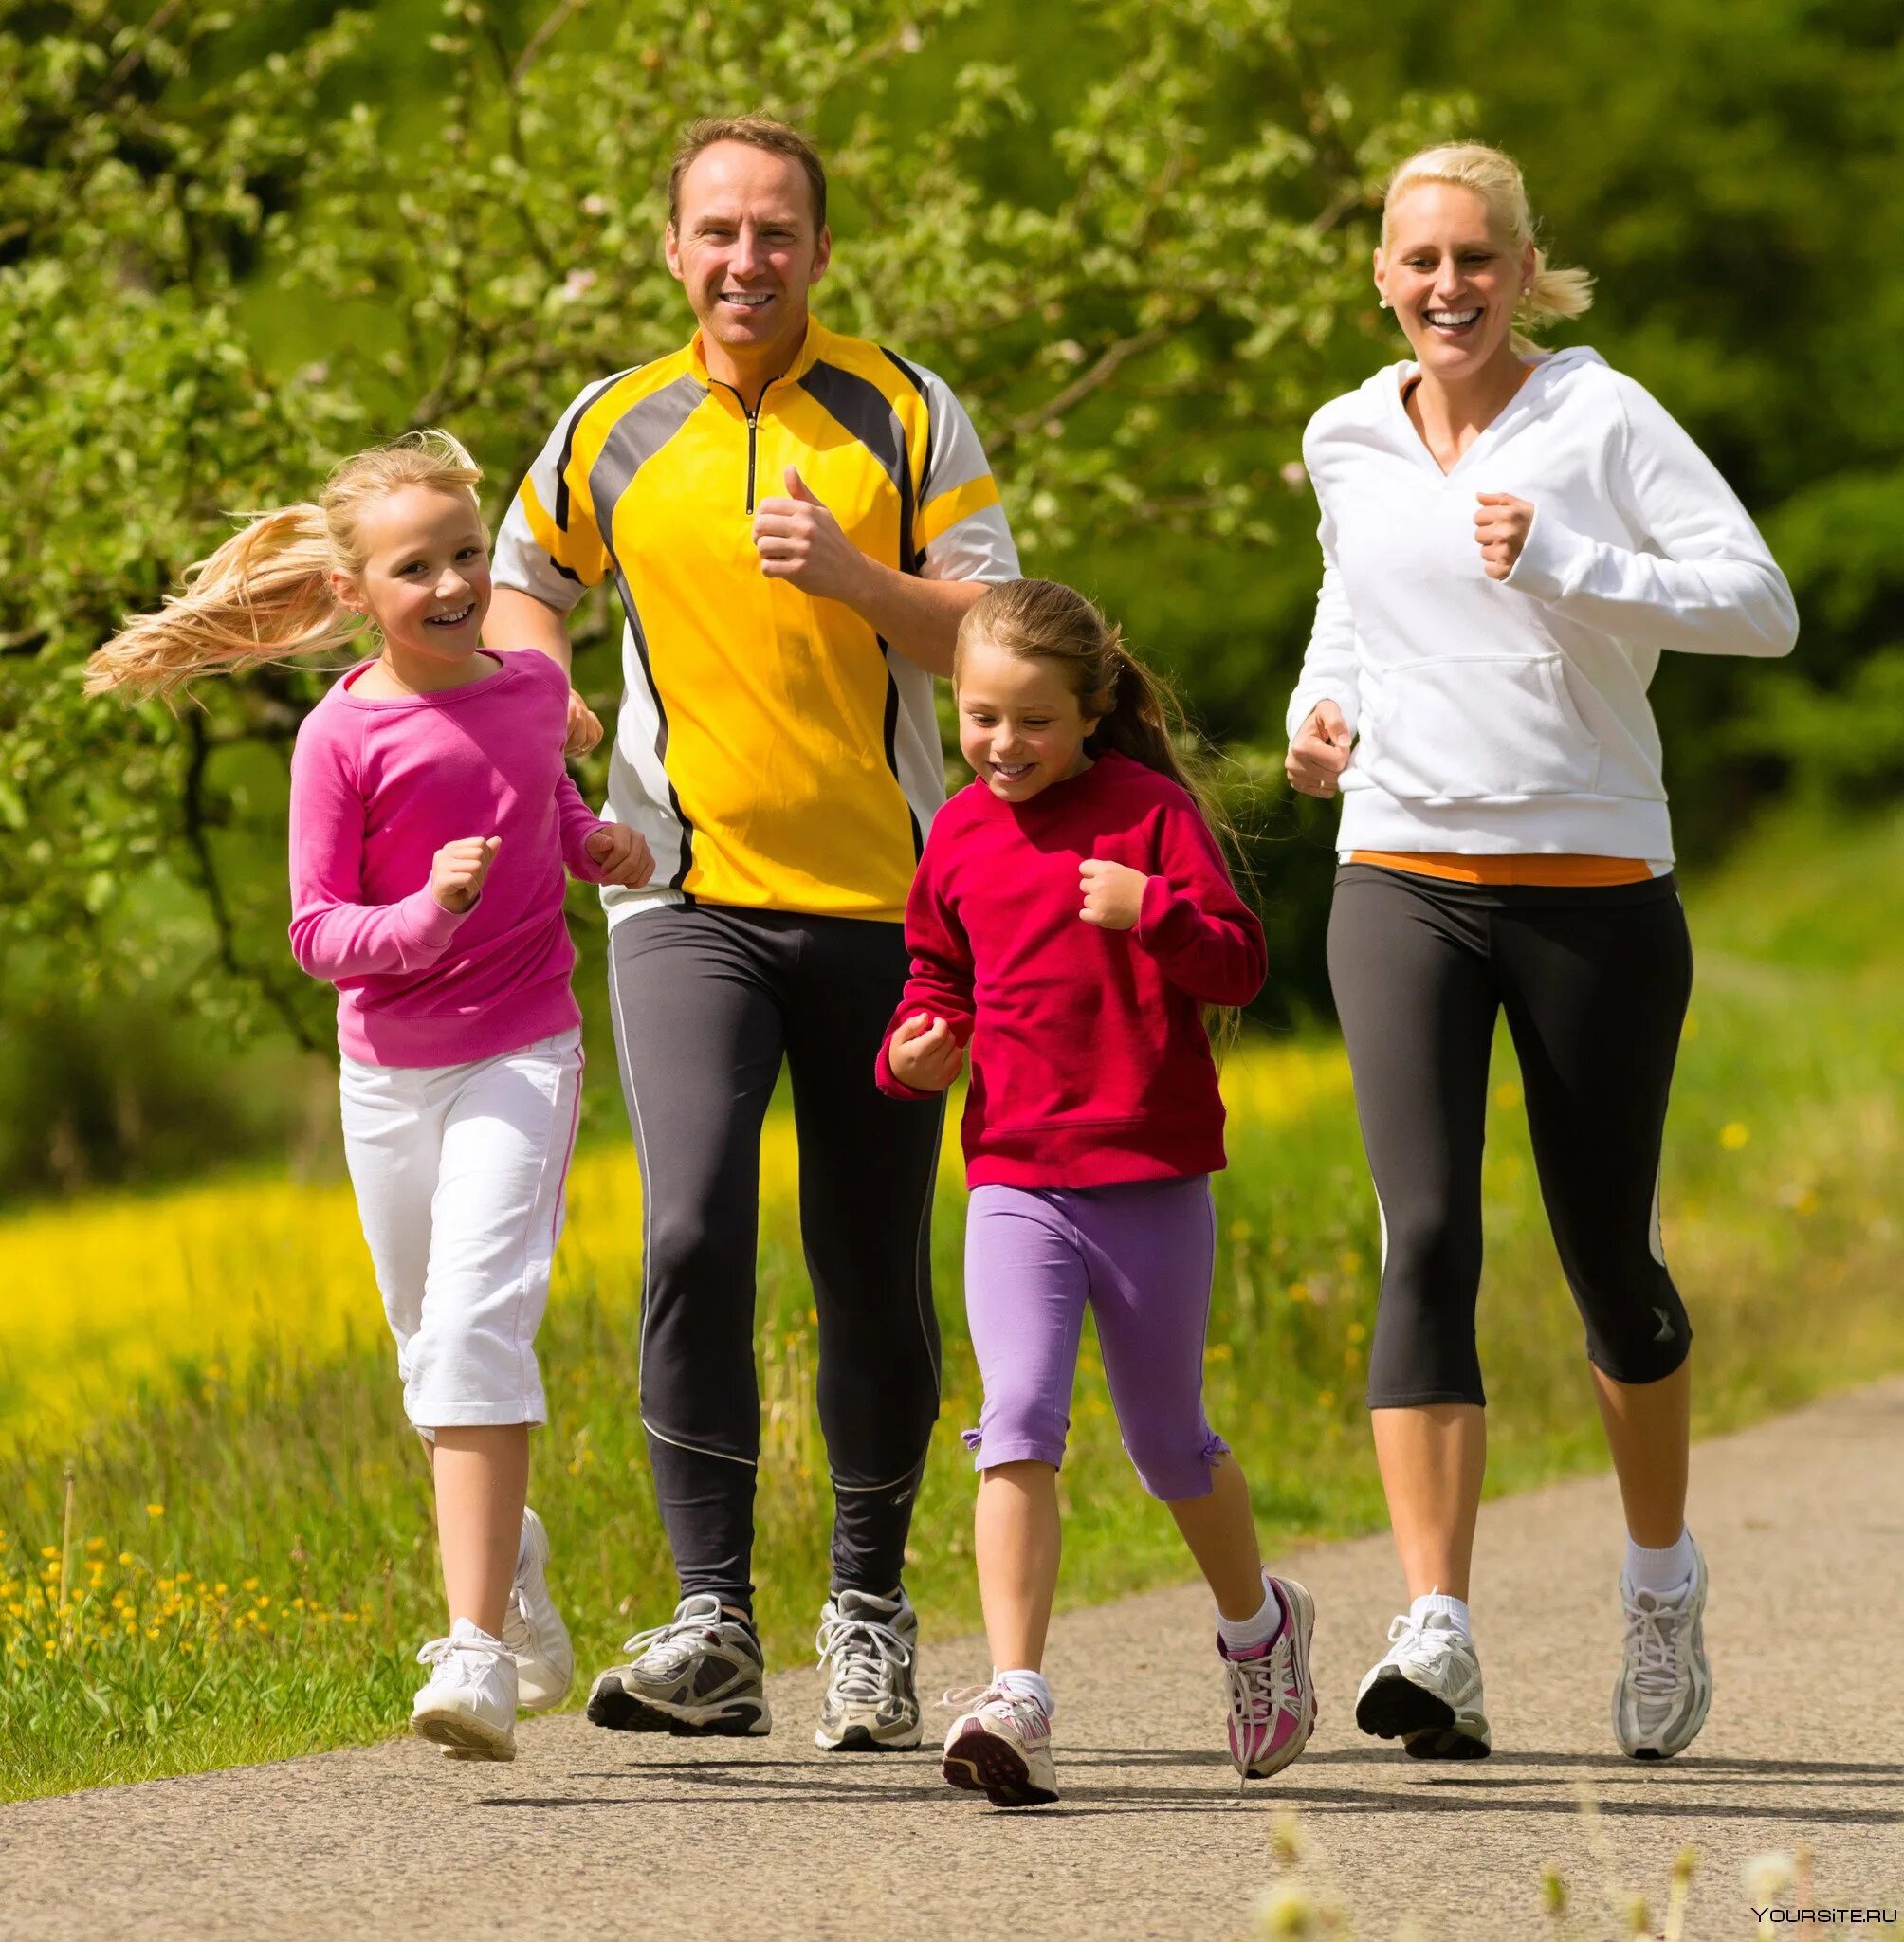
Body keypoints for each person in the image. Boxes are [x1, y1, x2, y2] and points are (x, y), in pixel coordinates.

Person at [485, 117, 1019, 1752]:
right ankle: (715, 1618)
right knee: (693, 1231)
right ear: (671, 249)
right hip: (683, 895)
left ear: (820, 253)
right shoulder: (610, 422)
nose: (745, 259)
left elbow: (1004, 639)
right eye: (716, 231)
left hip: (889, 905)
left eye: (776, 232)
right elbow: (520, 582)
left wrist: (865, 577)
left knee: (870, 1264)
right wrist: (545, 690)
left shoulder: (907, 410)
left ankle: (867, 1609)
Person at [1283, 143, 1798, 1762]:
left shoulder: (1601, 414)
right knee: (1423, 1234)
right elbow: (1350, 603)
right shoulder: (1345, 432)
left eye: (1477, 259)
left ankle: (1658, 1583)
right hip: (1402, 874)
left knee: (1609, 1267)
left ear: (1524, 266)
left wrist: (1571, 561)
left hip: (1592, 884)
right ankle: (1436, 1627)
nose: (1449, 287)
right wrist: (1324, 706)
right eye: (1420, 261)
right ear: (1380, 273)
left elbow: (1761, 609)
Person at [86, 431, 655, 1762]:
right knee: (425, 1351)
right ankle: (510, 1559)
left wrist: (596, 844)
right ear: (356, 592)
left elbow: (548, 812)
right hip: (390, 1078)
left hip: (524, 1053)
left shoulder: (526, 692)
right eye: (420, 567)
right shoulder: (338, 738)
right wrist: (422, 915)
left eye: (469, 555)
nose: (456, 583)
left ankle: (474, 1651)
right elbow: (318, 934)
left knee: (472, 1328)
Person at [877, 577, 1315, 1806]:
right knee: (1015, 1417)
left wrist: (1152, 908)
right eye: (979, 719)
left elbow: (1238, 963)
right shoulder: (955, 832)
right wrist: (912, 1051)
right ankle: (1017, 1693)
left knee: (1169, 1441)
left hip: (1148, 1172)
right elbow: (935, 979)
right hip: (1014, 1169)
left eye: (1033, 722)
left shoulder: (1152, 813)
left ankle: (1258, 1630)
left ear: (1090, 712)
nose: (1004, 746)